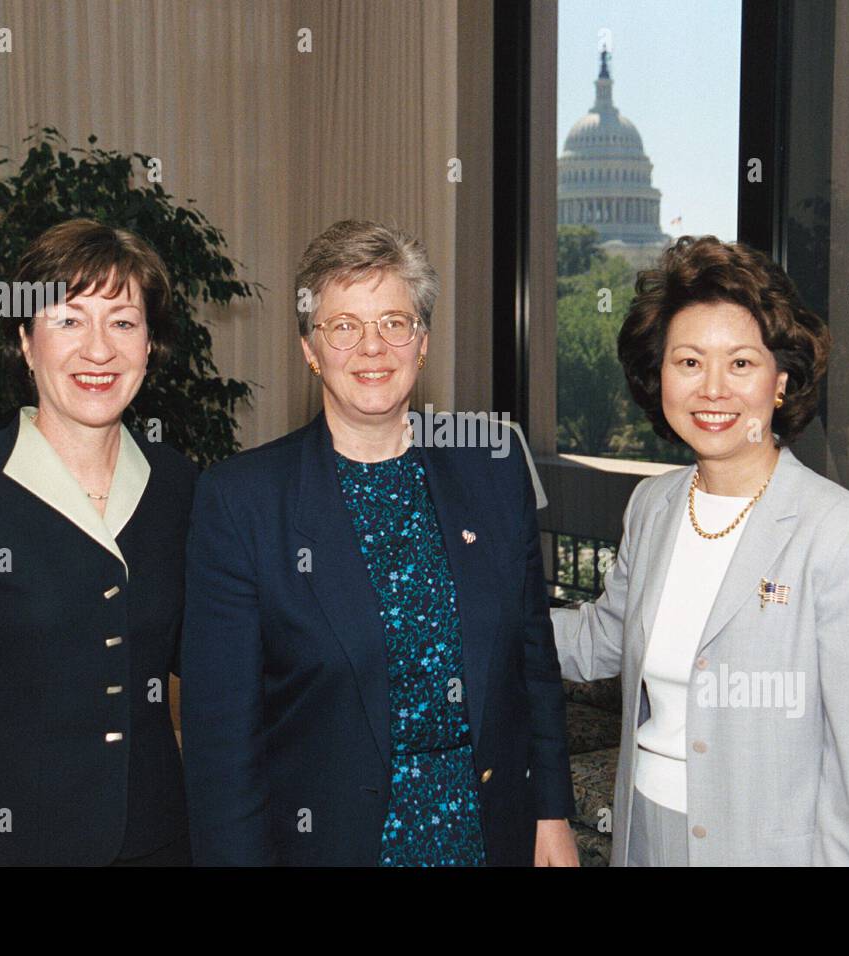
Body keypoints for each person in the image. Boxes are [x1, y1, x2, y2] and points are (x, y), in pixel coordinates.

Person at [182, 219, 578, 866]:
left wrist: (553, 813)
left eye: (395, 322)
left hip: (487, 835)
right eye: (344, 326)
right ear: (310, 347)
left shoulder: (492, 464)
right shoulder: (241, 502)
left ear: (422, 342)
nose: (373, 347)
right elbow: (222, 745)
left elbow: (533, 663)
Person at [552, 235, 849, 866]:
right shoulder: (652, 506)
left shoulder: (848, 536)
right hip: (642, 836)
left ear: (781, 381)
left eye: (741, 363)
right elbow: (602, 640)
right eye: (688, 362)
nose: (713, 389)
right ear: (657, 377)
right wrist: (468, 609)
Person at [0, 219, 196, 865]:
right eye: (68, 320)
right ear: (24, 341)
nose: (98, 350)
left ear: (150, 345)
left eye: (124, 322)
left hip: (159, 842)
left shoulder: (180, 487)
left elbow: (214, 668)